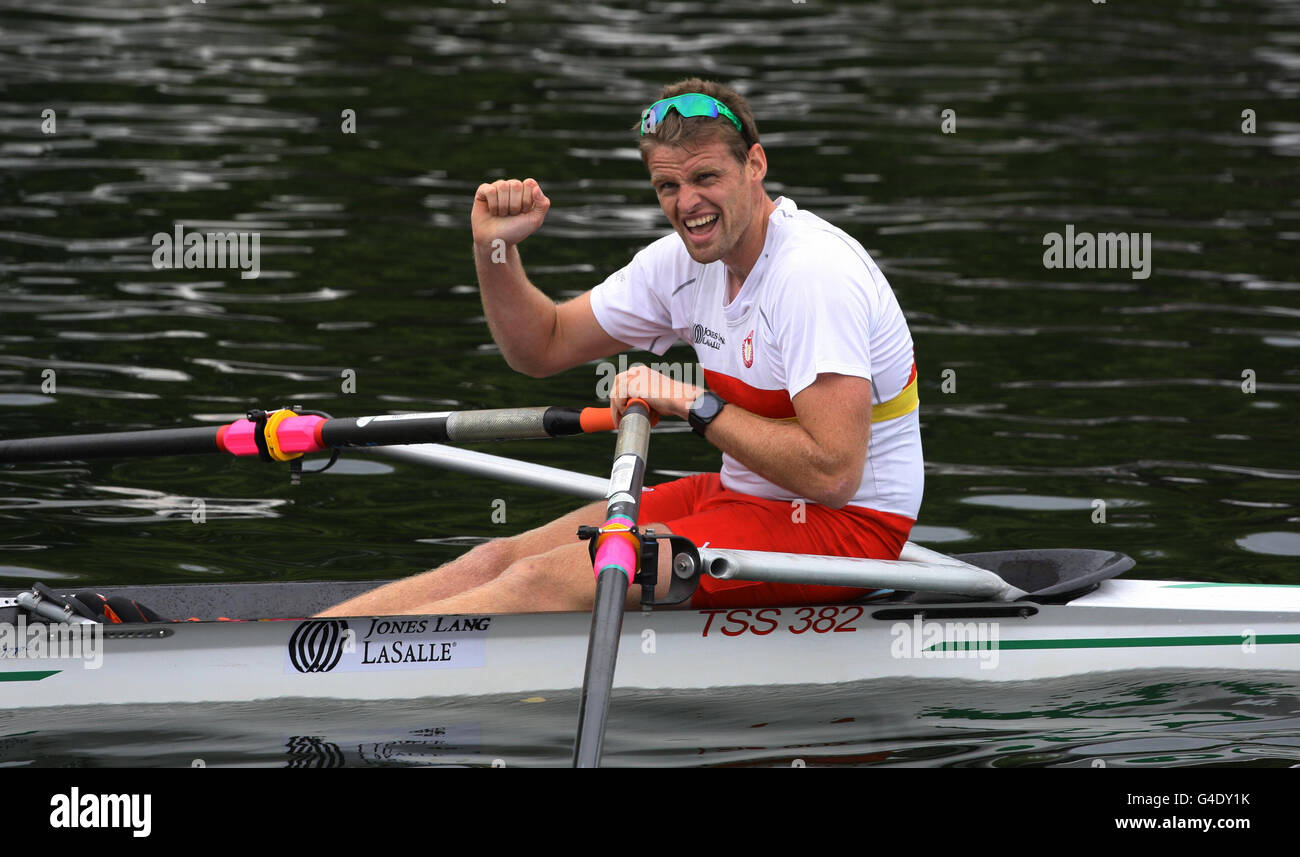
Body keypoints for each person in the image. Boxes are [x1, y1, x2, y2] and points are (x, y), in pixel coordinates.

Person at [319, 78, 922, 618]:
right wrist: (494, 251)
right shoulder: (680, 265)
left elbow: (833, 473)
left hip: (847, 527)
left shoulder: (813, 275)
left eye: (706, 177)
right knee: (495, 560)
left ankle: (329, 673)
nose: (687, 204)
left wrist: (694, 405)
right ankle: (302, 644)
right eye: (668, 184)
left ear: (755, 165)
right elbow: (541, 346)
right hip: (744, 494)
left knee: (540, 580)